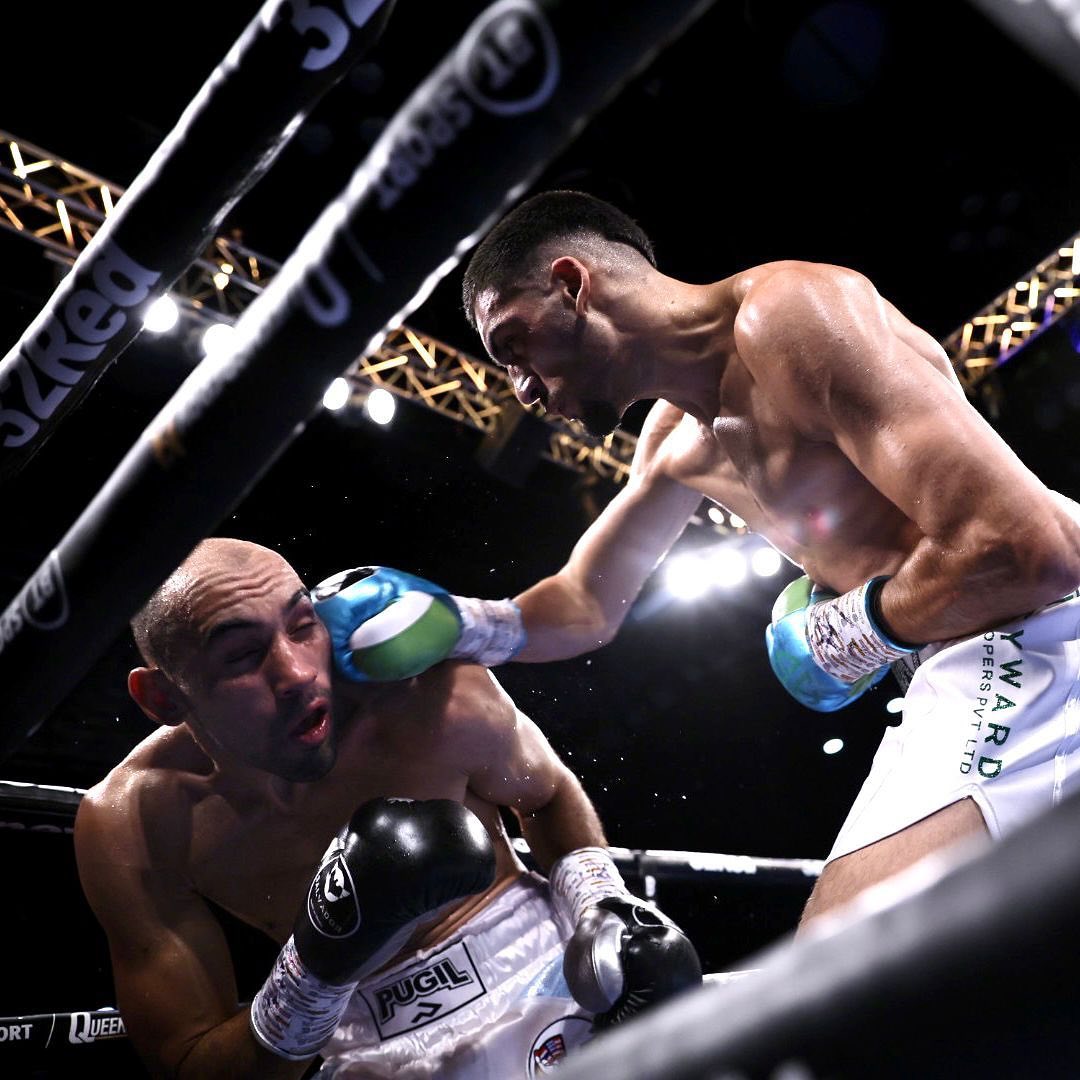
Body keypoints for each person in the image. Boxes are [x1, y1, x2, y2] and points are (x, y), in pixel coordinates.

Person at [331, 188, 1080, 933]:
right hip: (966, 659)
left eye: (513, 343)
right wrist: (462, 622)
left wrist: (855, 629)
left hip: (1038, 629)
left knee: (843, 958)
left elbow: (1030, 551)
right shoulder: (675, 443)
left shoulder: (790, 317)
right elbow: (588, 602)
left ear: (571, 284)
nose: (519, 387)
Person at [73, 537, 702, 1080]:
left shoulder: (418, 691)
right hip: (361, 1041)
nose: (296, 673)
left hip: (547, 969)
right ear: (161, 696)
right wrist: (315, 968)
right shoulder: (133, 823)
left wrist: (601, 909)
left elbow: (544, 794)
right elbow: (186, 1063)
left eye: (301, 625)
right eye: (241, 655)